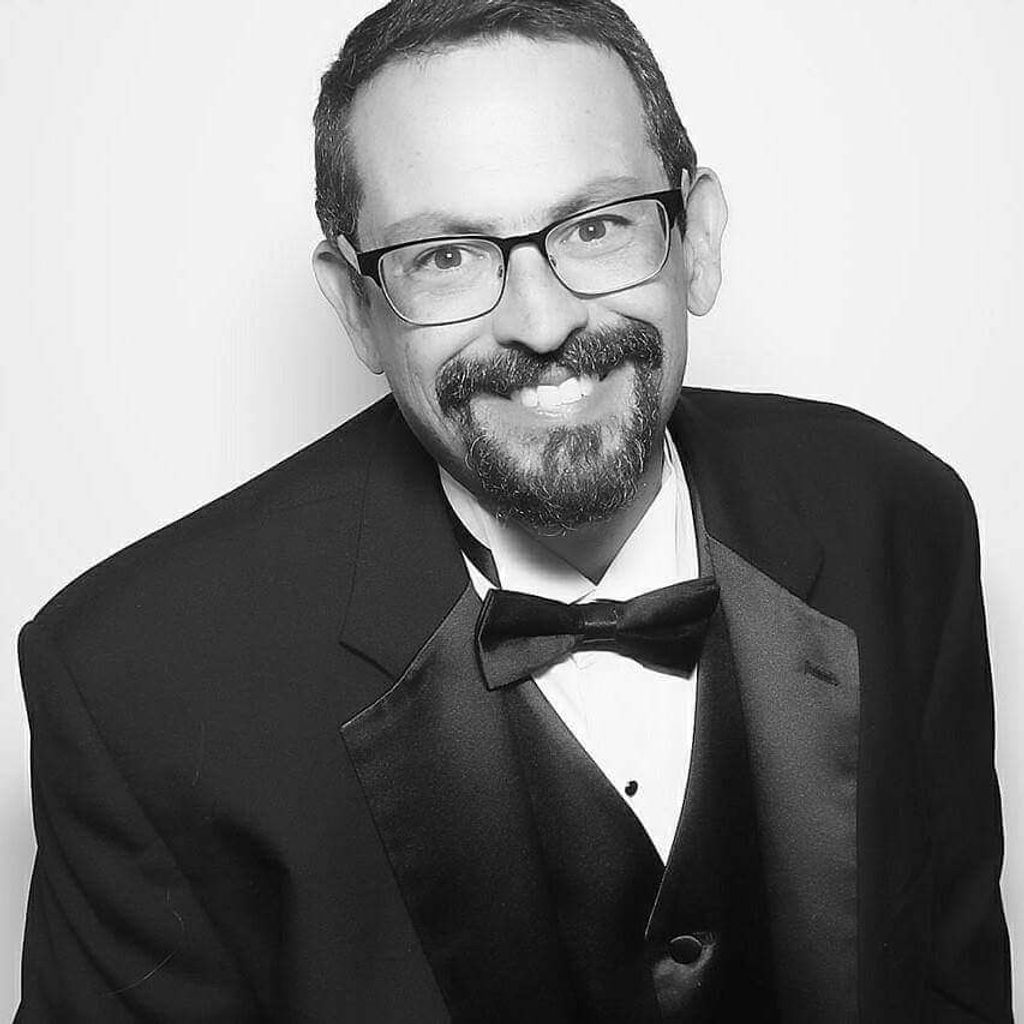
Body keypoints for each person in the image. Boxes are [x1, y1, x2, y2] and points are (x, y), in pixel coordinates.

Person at [15, 0, 1011, 1020]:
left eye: (596, 226)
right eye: (444, 255)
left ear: (698, 239)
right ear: (357, 306)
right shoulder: (138, 683)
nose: (541, 322)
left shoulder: (897, 517)